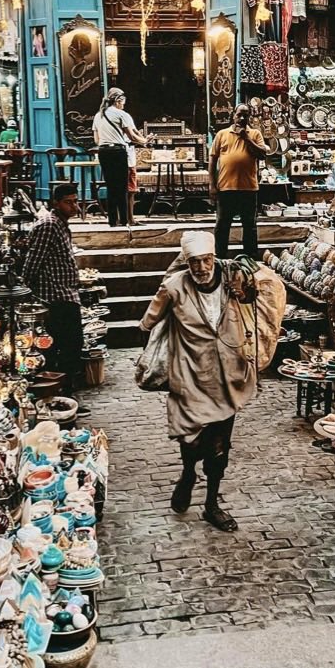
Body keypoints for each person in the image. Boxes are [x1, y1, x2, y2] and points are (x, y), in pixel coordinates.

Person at [139, 231, 258, 532]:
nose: (202, 269)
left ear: (214, 258)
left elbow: (258, 292)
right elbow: (147, 322)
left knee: (220, 444)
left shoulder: (233, 276)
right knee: (190, 437)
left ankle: (211, 505)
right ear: (186, 263)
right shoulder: (174, 287)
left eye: (206, 261)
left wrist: (245, 293)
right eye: (194, 263)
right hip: (189, 374)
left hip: (227, 374)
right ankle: (188, 472)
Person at [22, 183, 89, 415]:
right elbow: (33, 261)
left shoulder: (60, 224)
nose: (74, 206)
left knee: (71, 348)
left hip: (66, 294)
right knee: (62, 348)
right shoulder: (48, 225)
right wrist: (28, 290)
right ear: (56, 203)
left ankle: (65, 394)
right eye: (69, 202)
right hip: (54, 297)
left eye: (75, 201)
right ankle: (59, 396)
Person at [209, 104, 269, 259]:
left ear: (249, 117)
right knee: (222, 225)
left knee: (249, 226)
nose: (242, 118)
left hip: (248, 188)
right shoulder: (222, 134)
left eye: (246, 115)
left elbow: (262, 155)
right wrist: (212, 185)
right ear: (233, 115)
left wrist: (246, 138)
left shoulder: (255, 134)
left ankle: (250, 257)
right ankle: (220, 256)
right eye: (239, 115)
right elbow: (212, 160)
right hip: (226, 188)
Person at [92, 88, 149, 227]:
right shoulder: (120, 114)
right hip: (118, 151)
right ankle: (124, 220)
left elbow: (96, 140)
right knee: (122, 186)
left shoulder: (98, 115)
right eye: (123, 102)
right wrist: (144, 141)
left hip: (104, 152)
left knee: (111, 187)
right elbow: (131, 136)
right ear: (118, 101)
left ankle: (112, 220)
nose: (123, 105)